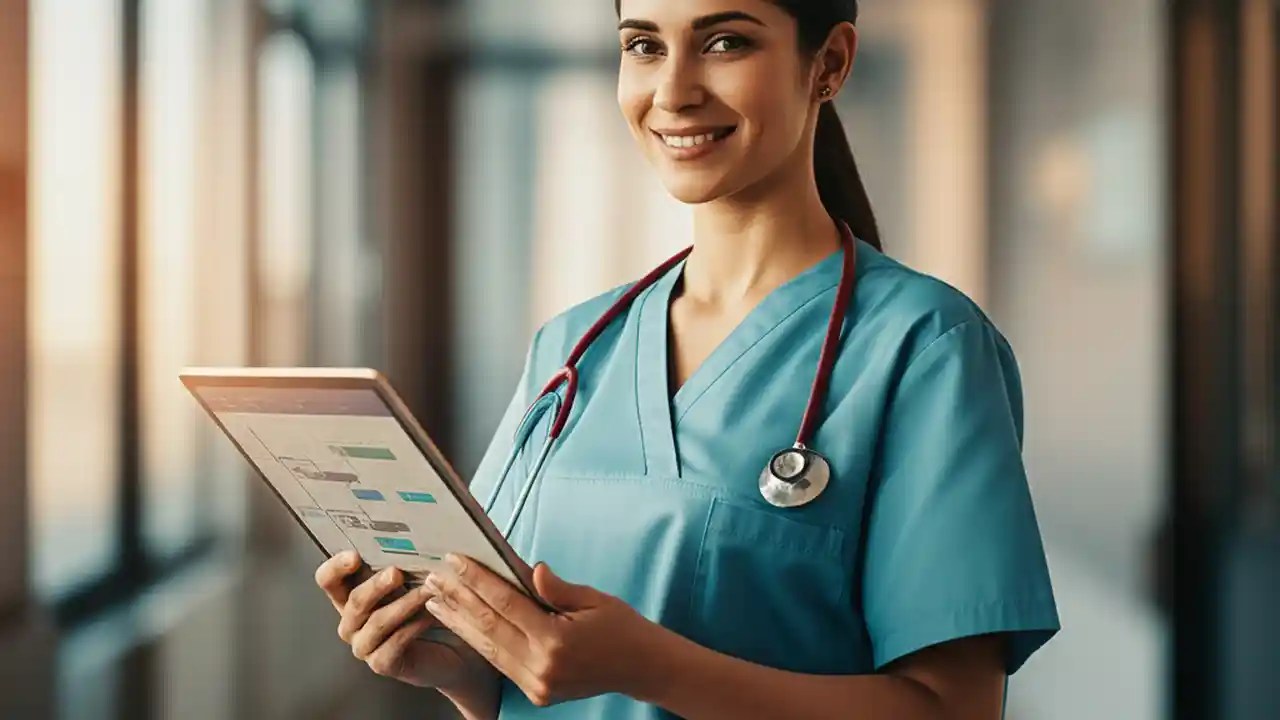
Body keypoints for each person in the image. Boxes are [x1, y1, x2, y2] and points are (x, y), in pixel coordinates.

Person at [314, 1, 1060, 718]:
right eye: (644, 46)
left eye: (725, 42)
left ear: (828, 63)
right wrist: (463, 674)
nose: (673, 91)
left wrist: (651, 667)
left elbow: (954, 712)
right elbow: (542, 686)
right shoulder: (572, 344)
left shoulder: (922, 347)